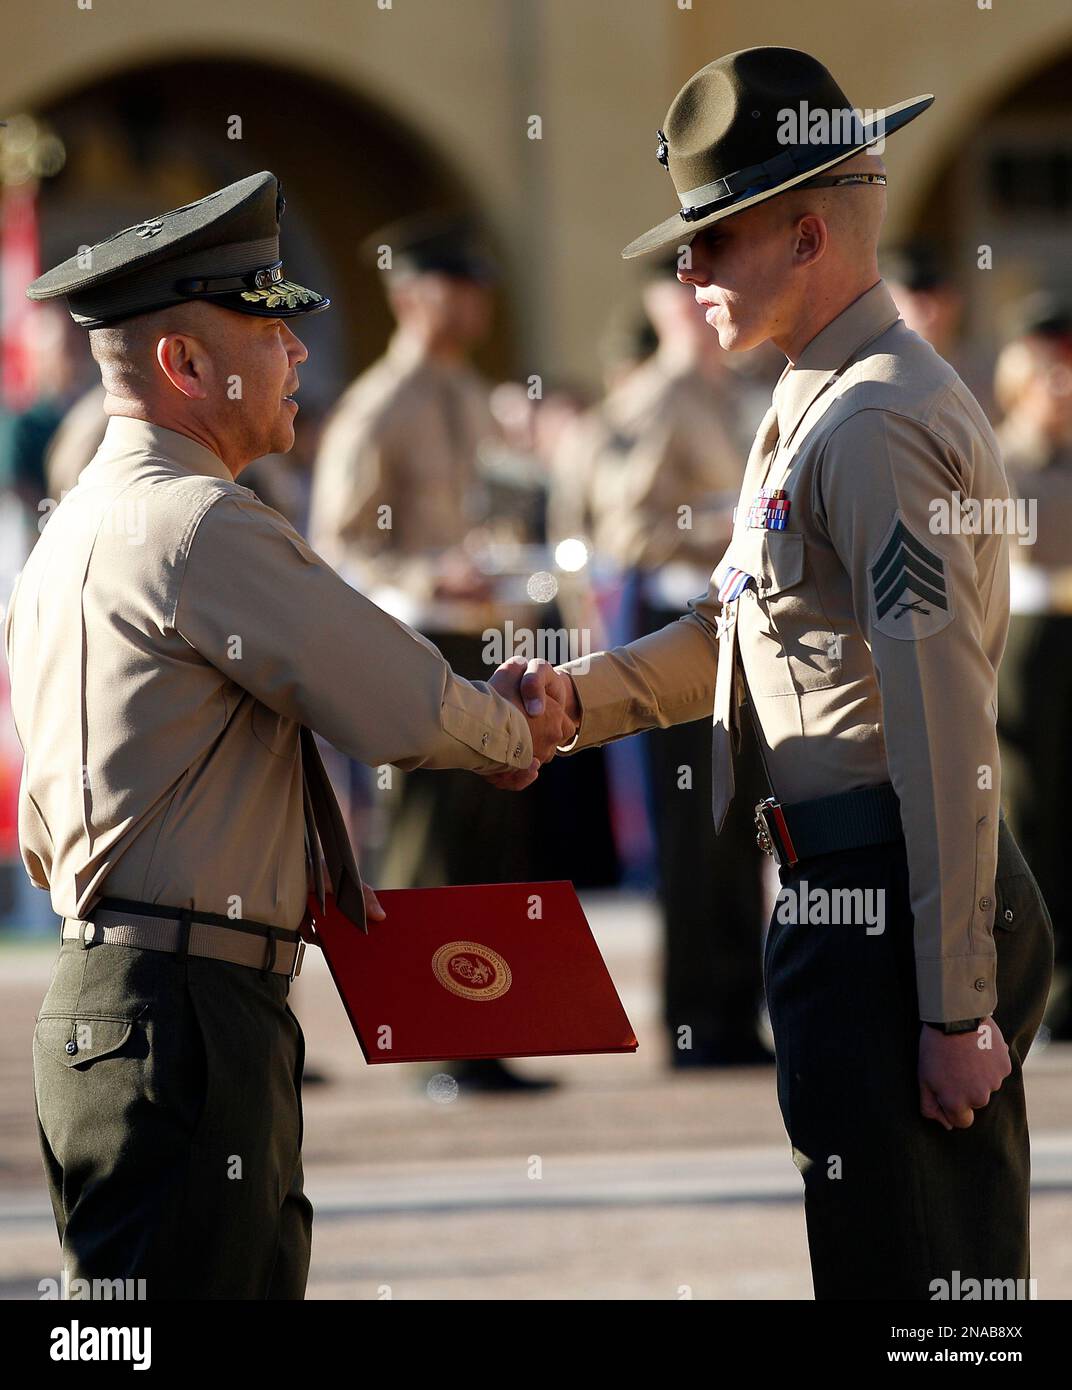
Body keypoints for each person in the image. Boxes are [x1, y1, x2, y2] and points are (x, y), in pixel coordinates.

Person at [489, 47, 1054, 1299]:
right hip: (856, 893)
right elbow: (748, 629)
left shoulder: (872, 421)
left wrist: (955, 1004)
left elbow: (940, 715)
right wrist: (582, 700)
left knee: (922, 1295)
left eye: (712, 243)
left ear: (807, 235)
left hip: (891, 901)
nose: (685, 275)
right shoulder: (819, 399)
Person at [5, 171, 575, 1299]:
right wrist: (513, 727)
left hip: (137, 1003)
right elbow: (393, 695)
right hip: (186, 1018)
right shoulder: (198, 519)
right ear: (183, 367)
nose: (297, 354)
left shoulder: (81, 518)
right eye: (267, 327)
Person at [310, 215, 556, 1092]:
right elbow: (336, 551)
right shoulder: (381, 406)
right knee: (427, 844)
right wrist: (430, 573)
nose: (480, 302)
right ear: (413, 296)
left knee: (488, 837)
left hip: (481, 631)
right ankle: (432, 1042)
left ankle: (479, 1036)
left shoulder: (463, 393)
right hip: (415, 638)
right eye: (463, 285)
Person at [549, 254, 770, 1067]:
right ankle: (698, 1017)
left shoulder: (733, 387)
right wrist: (727, 524)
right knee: (697, 829)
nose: (696, 302)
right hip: (681, 615)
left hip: (736, 618)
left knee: (739, 823)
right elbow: (629, 531)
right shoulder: (658, 396)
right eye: (679, 290)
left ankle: (734, 1010)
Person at [993, 305, 1072, 1039]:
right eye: (1051, 373)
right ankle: (1032, 987)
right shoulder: (999, 458)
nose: (1065, 386)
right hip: (1026, 641)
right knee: (1030, 807)